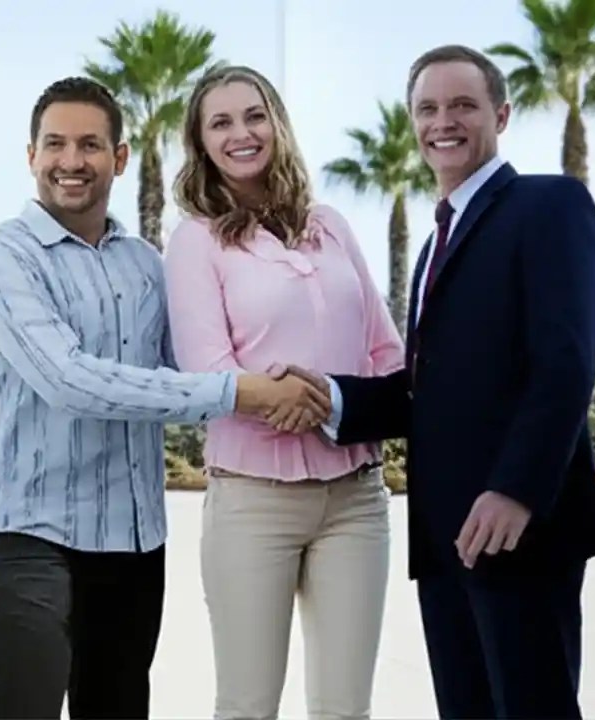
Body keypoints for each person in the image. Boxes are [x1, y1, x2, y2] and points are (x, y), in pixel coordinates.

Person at [0, 76, 332, 720]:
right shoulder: (0, 257)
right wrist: (243, 391)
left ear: (121, 157)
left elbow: (188, 365)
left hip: (132, 542)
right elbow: (70, 380)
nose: (71, 161)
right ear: (31, 156)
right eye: (55, 144)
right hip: (30, 534)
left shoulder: (144, 263)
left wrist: (296, 385)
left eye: (90, 145)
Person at [283, 45, 595, 719]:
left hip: (520, 528)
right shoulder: (436, 240)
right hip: (443, 536)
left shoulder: (550, 204)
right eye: (427, 108)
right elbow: (435, 386)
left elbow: (566, 362)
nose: (444, 121)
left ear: (502, 113)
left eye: (463, 104)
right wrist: (333, 396)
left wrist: (516, 490)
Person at [161, 64, 404, 720]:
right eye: (221, 122)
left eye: (254, 115)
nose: (242, 133)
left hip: (356, 500)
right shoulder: (194, 242)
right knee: (247, 705)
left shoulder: (332, 226)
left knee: (345, 707)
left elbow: (387, 354)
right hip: (251, 504)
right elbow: (207, 370)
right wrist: (307, 398)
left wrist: (329, 400)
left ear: (277, 124)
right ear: (201, 143)